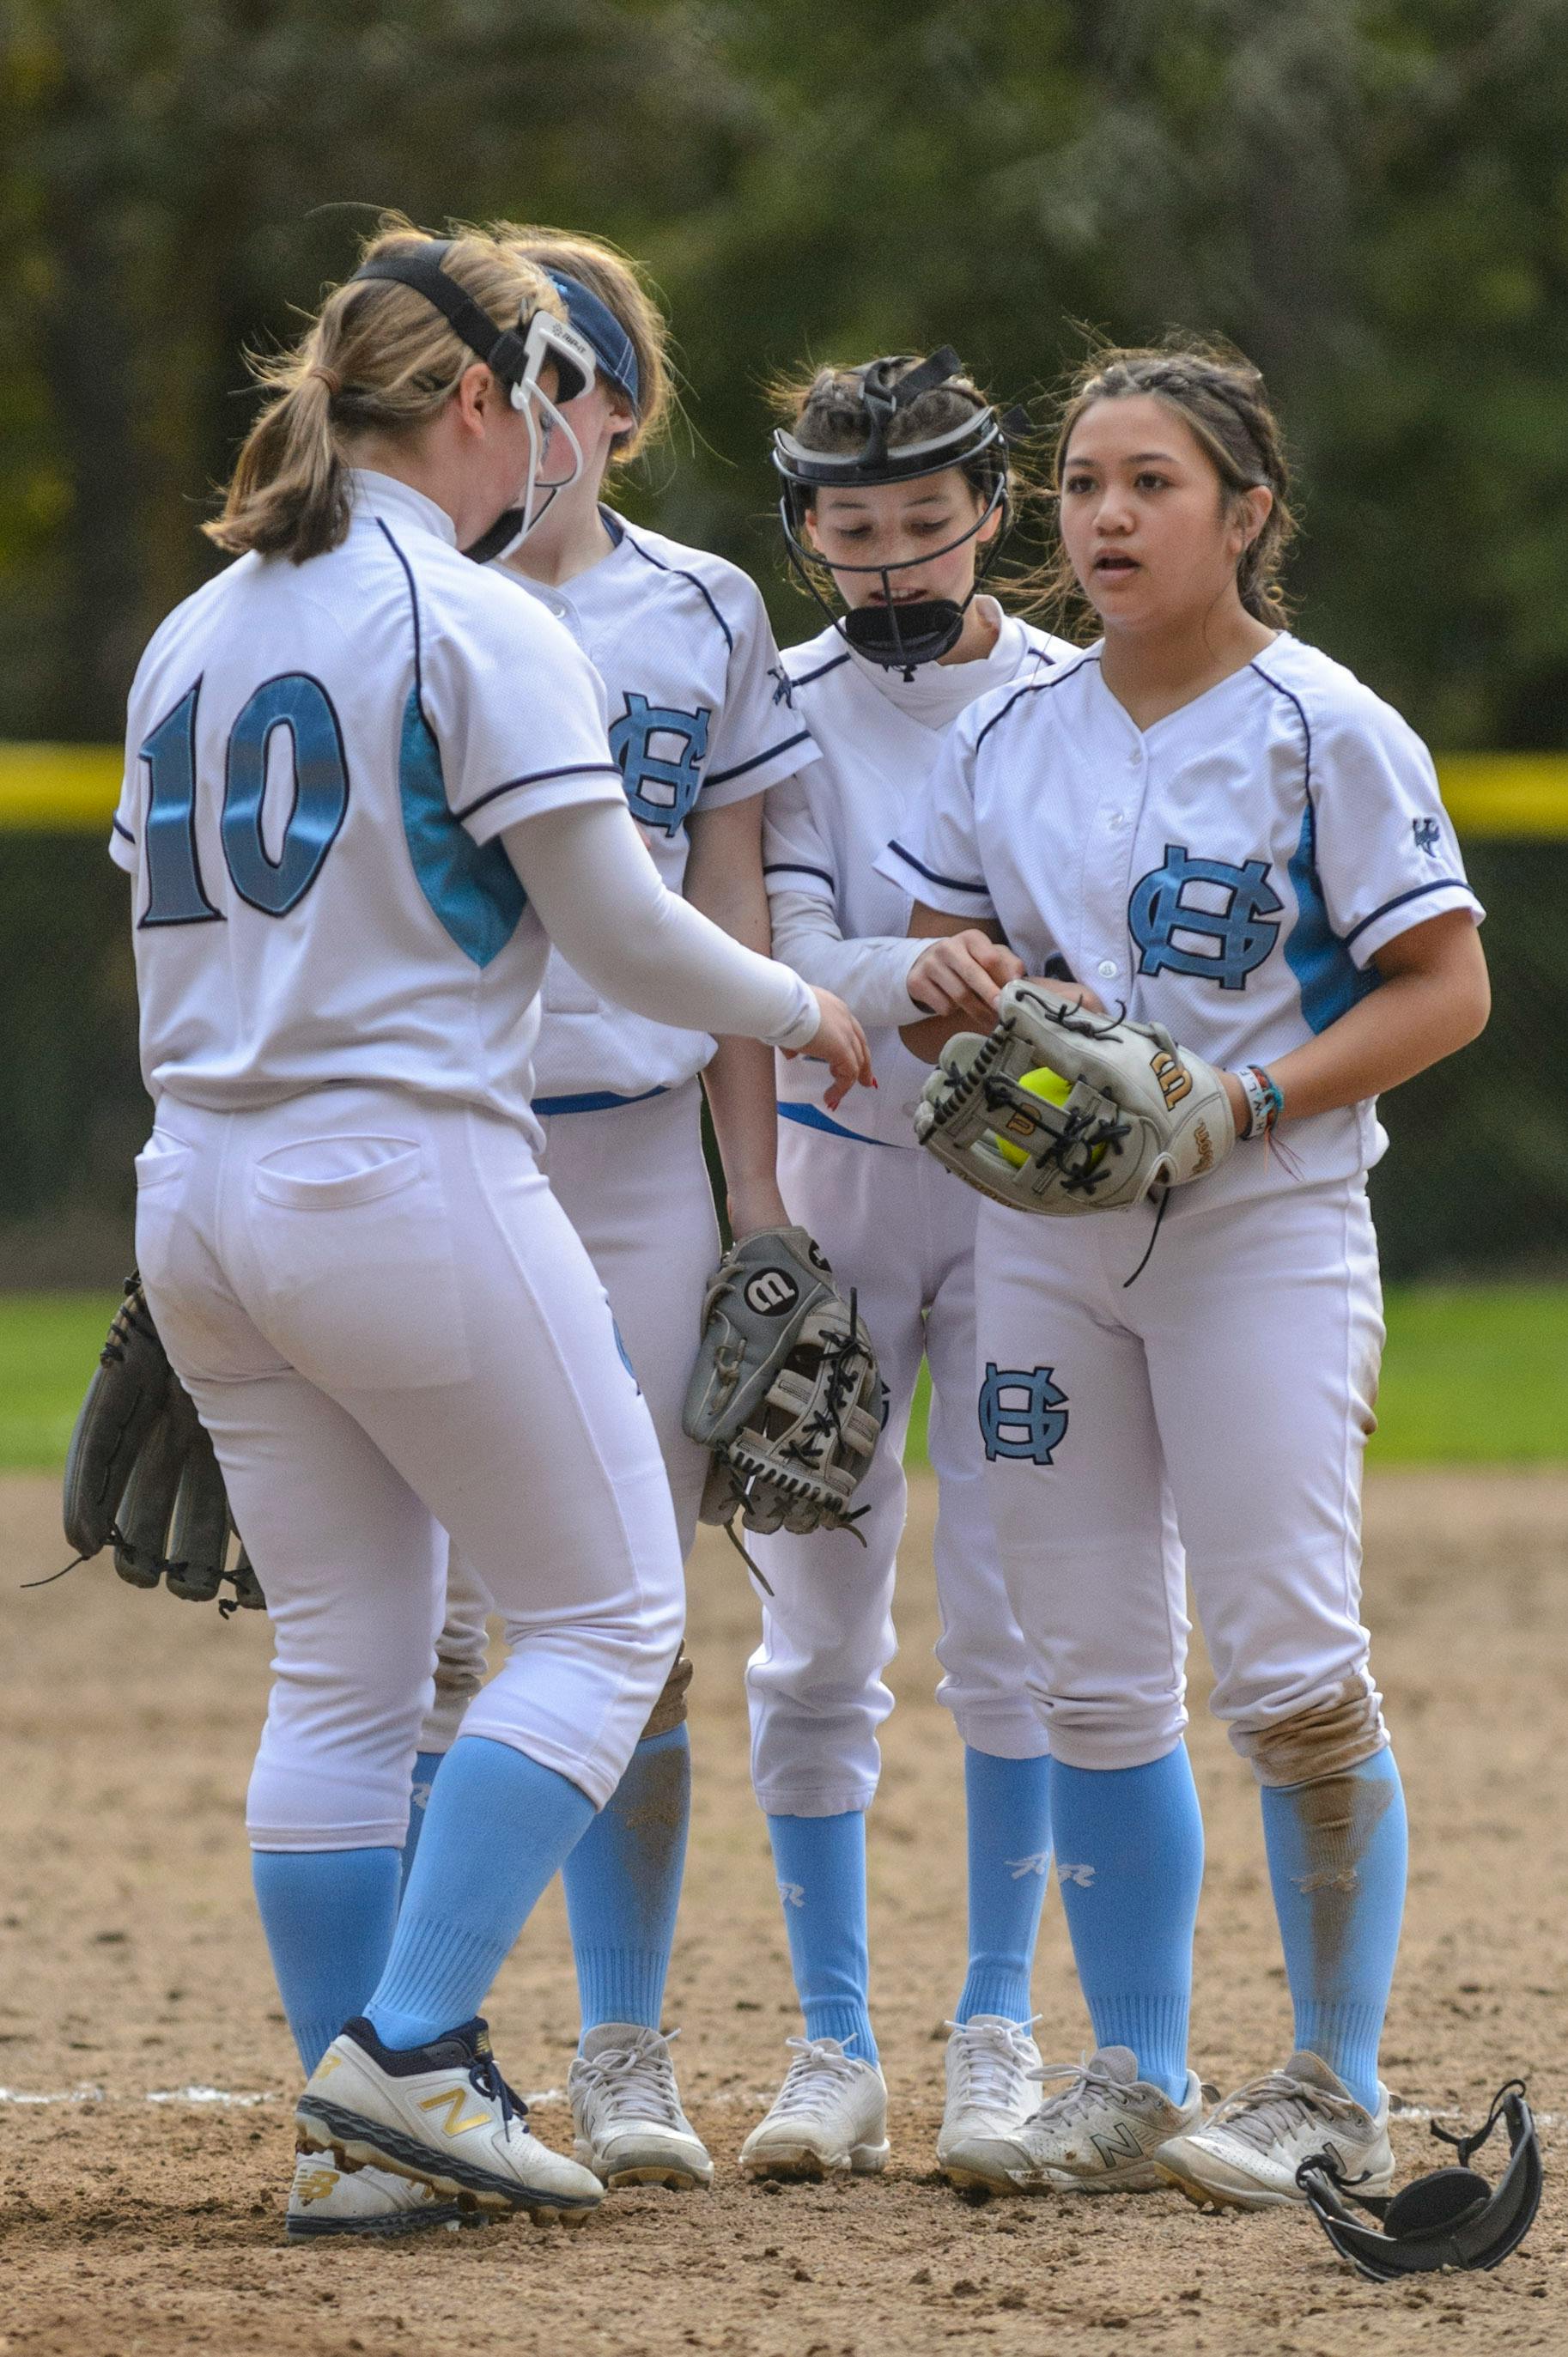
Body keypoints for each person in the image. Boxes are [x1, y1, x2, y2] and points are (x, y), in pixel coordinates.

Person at [110, 219, 868, 2238]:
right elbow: (616, 924)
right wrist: (815, 1013)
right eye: (536, 400)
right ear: (476, 402)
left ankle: (350, 2138)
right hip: (402, 1166)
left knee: (349, 1671)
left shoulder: (199, 625)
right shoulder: (470, 611)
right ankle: (414, 2051)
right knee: (612, 1614)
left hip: (198, 1178)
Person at [881, 338, 1489, 2205]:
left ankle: (1331, 2076)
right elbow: (930, 946)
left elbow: (1444, 984)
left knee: (1291, 1662)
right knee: (1086, 1670)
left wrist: (1245, 1099)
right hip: (1046, 1246)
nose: (1107, 514)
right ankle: (1137, 2062)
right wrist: (953, 978)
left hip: (1261, 1230)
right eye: (1081, 484)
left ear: (1245, 511)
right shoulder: (1004, 732)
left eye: (1150, 481)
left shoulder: (1326, 729)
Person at [398, 227, 826, 2201]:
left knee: (632, 1618)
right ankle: (412, 2031)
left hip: (640, 1153)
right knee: (431, 1632)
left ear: (622, 411)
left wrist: (763, 1198)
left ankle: (624, 2039)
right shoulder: (399, 596)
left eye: (572, 371)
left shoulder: (703, 608)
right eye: (512, 368)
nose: (535, 405)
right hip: (443, 1144)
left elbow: (726, 908)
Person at [735, 351, 1078, 2190]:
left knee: (1013, 1630)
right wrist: (908, 974)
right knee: (814, 1638)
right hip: (838, 1190)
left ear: (988, 513)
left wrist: (999, 976)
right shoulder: (773, 701)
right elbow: (777, 932)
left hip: (1029, 1201)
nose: (887, 567)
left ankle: (998, 2036)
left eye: (921, 529)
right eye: (851, 536)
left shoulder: (1075, 695)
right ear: (804, 536)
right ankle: (831, 2040)